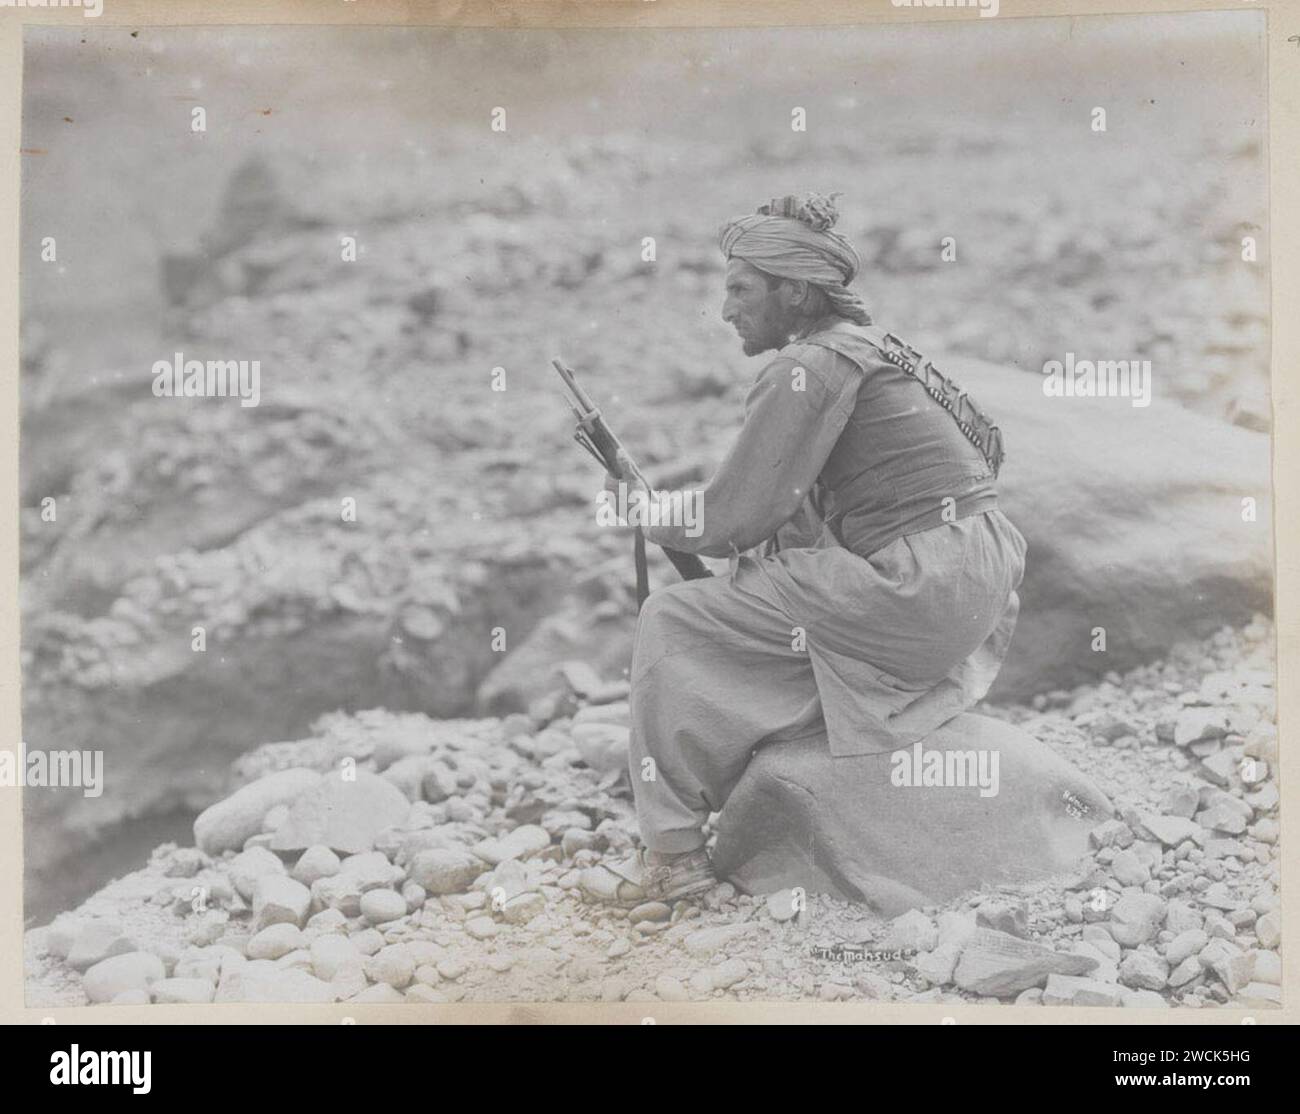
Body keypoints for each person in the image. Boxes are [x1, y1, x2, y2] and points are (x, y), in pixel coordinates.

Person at [580, 192, 1028, 905]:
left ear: (794, 291)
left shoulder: (810, 366)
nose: (727, 310)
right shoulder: (883, 348)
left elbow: (734, 517)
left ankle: (672, 859)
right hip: (979, 575)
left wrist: (645, 511)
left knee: (673, 619)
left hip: (916, 588)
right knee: (777, 574)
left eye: (740, 290)